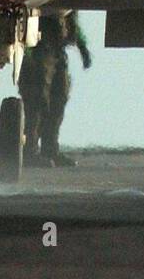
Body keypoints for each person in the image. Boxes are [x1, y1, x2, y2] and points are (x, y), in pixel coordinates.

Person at [20, 12, 92, 167]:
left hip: (57, 51)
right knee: (37, 102)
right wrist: (27, 54)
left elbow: (71, 18)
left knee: (58, 101)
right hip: (39, 50)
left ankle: (50, 150)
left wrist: (82, 47)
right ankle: (29, 152)